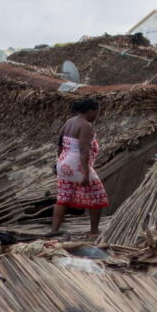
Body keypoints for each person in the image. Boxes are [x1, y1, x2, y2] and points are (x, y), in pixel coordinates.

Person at [52, 97, 108, 237]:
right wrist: (86, 173)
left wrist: (58, 163)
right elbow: (84, 150)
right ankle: (94, 230)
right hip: (76, 164)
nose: (97, 115)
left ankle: (54, 230)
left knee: (63, 197)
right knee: (98, 196)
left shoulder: (69, 122)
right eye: (97, 111)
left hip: (64, 162)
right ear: (90, 111)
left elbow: (60, 144)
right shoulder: (85, 125)